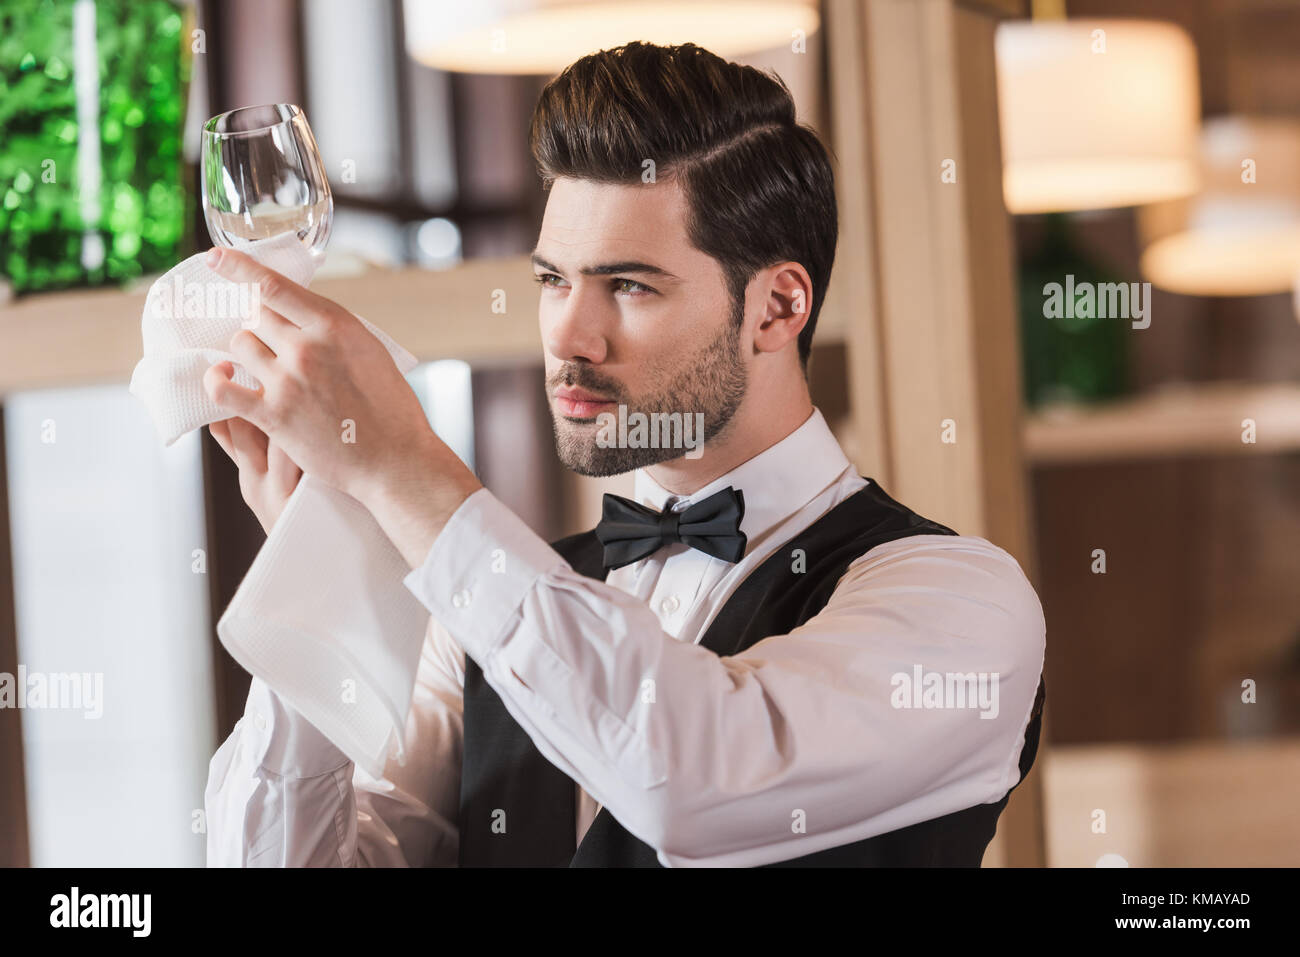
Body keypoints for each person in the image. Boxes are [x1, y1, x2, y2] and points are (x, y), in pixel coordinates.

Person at [202, 41, 1046, 867]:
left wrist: (401, 467)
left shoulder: (960, 603)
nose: (569, 333)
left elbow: (693, 782)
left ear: (778, 308)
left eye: (630, 285)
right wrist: (327, 545)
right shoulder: (478, 624)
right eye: (552, 281)